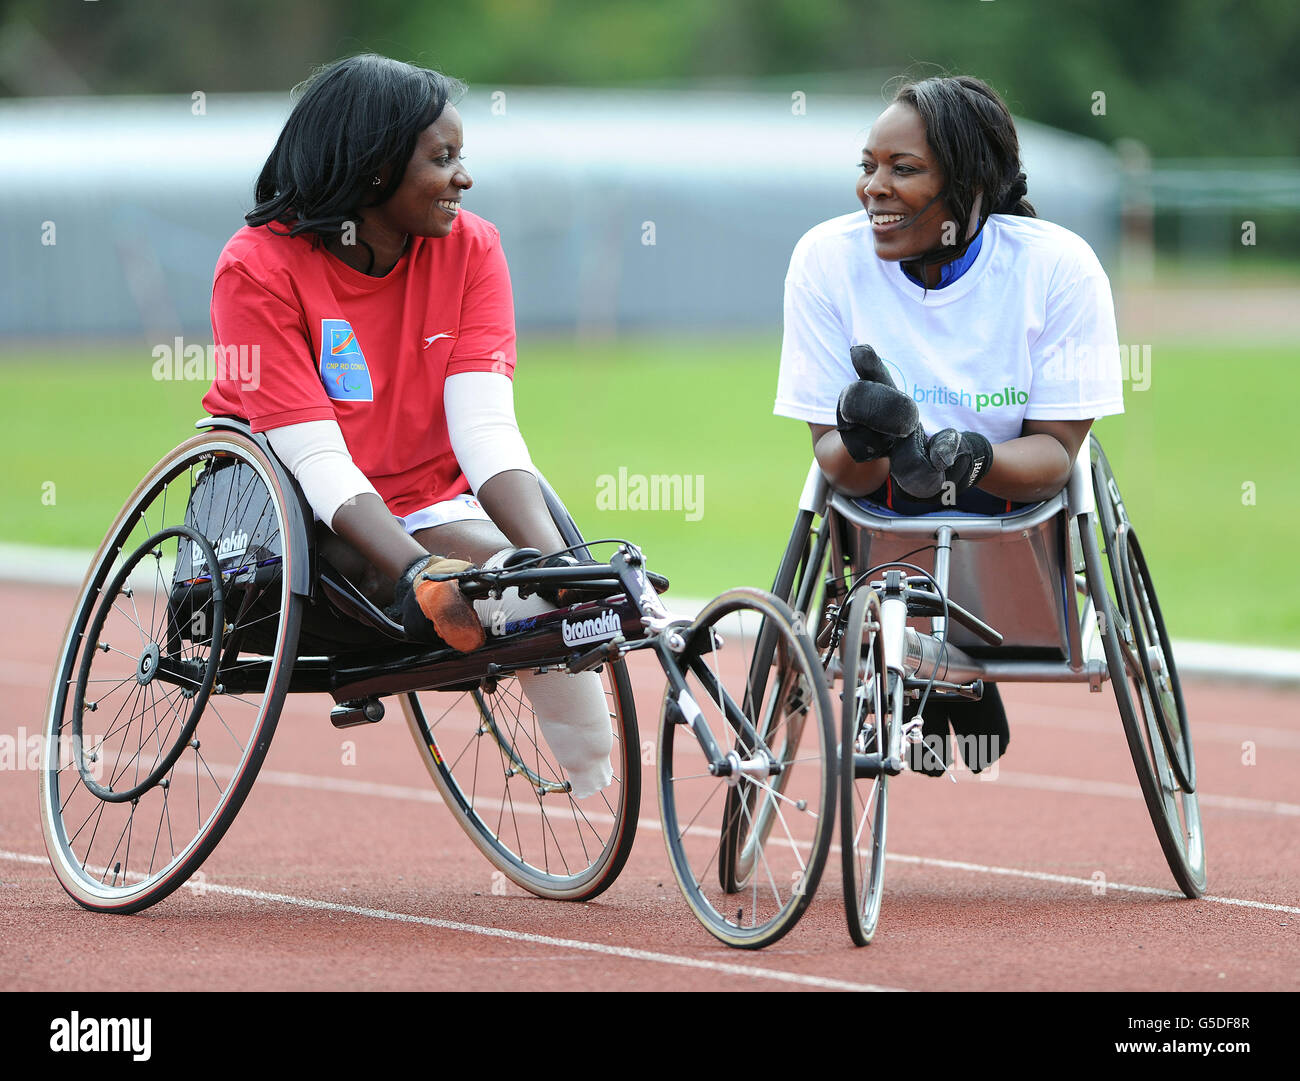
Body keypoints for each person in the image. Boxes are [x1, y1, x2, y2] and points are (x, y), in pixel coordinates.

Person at [201, 54, 612, 797]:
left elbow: (485, 431)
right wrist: (420, 572)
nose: (465, 177)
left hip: (423, 492)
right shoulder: (254, 269)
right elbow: (316, 458)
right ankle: (420, 589)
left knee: (519, 586)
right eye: (443, 158)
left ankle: (592, 778)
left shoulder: (473, 248)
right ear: (373, 169)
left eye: (463, 156)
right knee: (431, 580)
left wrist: (557, 567)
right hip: (295, 508)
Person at [774, 74, 1125, 775]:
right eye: (868, 165)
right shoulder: (824, 259)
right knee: (867, 469)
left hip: (1011, 508)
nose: (874, 186)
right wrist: (871, 440)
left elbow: (1058, 453)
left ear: (969, 187)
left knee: (972, 471)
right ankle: (935, 661)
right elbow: (832, 459)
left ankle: (951, 663)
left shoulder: (1058, 267)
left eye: (903, 169)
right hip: (880, 513)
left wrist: (969, 456)